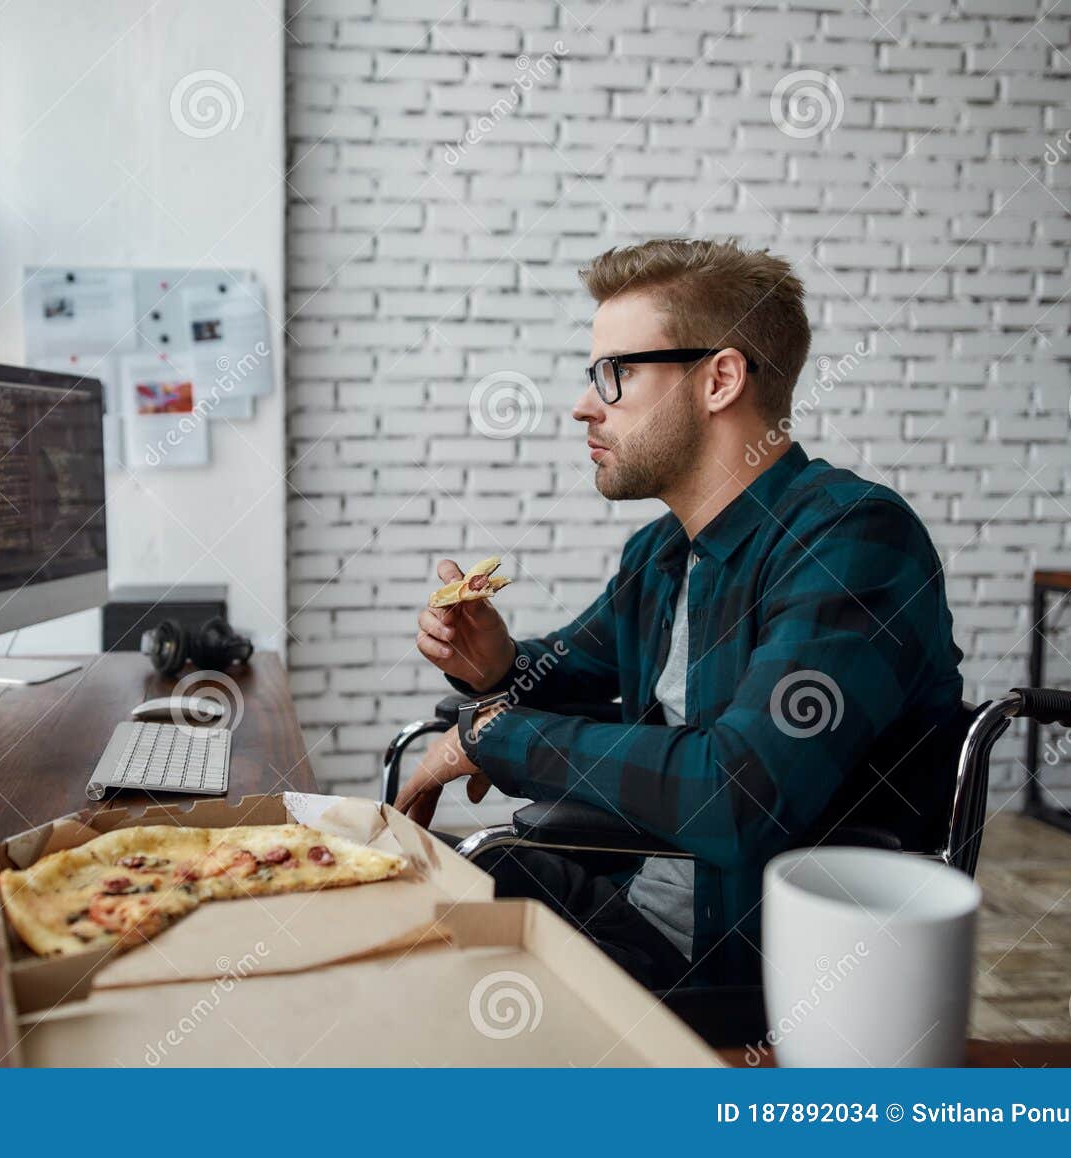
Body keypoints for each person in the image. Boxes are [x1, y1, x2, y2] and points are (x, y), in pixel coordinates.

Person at [396, 238, 964, 988]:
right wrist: (496, 665)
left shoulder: (853, 539)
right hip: (637, 896)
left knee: (417, 976)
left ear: (720, 379)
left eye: (615, 374)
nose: (584, 405)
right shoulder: (663, 553)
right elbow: (575, 665)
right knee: (387, 918)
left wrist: (495, 739)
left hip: (746, 964)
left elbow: (741, 793)